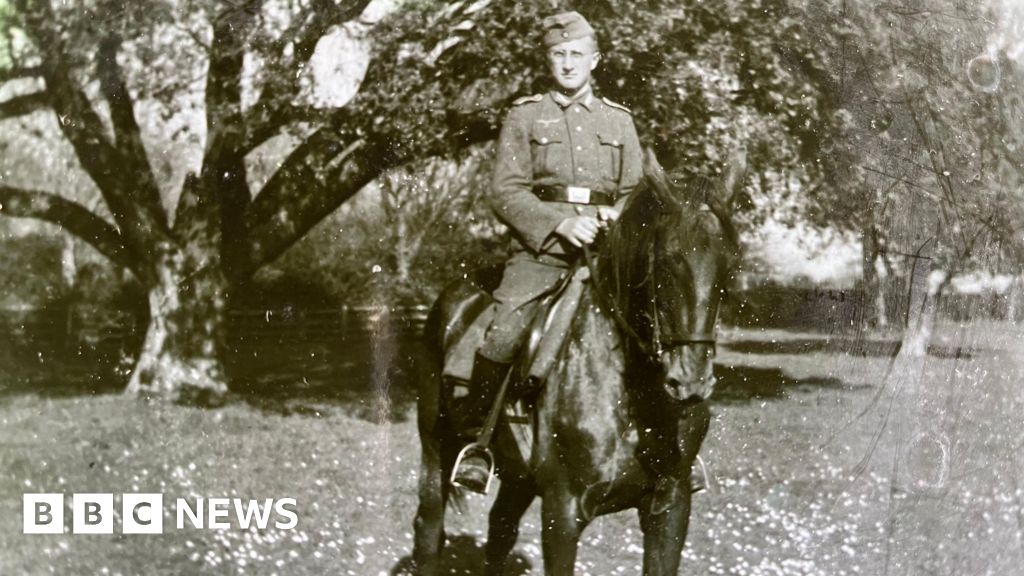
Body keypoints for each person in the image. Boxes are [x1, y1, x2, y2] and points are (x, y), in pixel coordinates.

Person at [451, 10, 643, 493]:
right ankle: (479, 445)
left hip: (608, 255)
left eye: (577, 54)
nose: (567, 63)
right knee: (504, 329)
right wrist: (560, 223)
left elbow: (635, 190)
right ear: (547, 60)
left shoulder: (619, 121)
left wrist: (615, 219)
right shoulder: (524, 115)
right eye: (558, 55)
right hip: (541, 254)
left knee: (656, 323)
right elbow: (506, 191)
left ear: (595, 60)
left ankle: (661, 441)